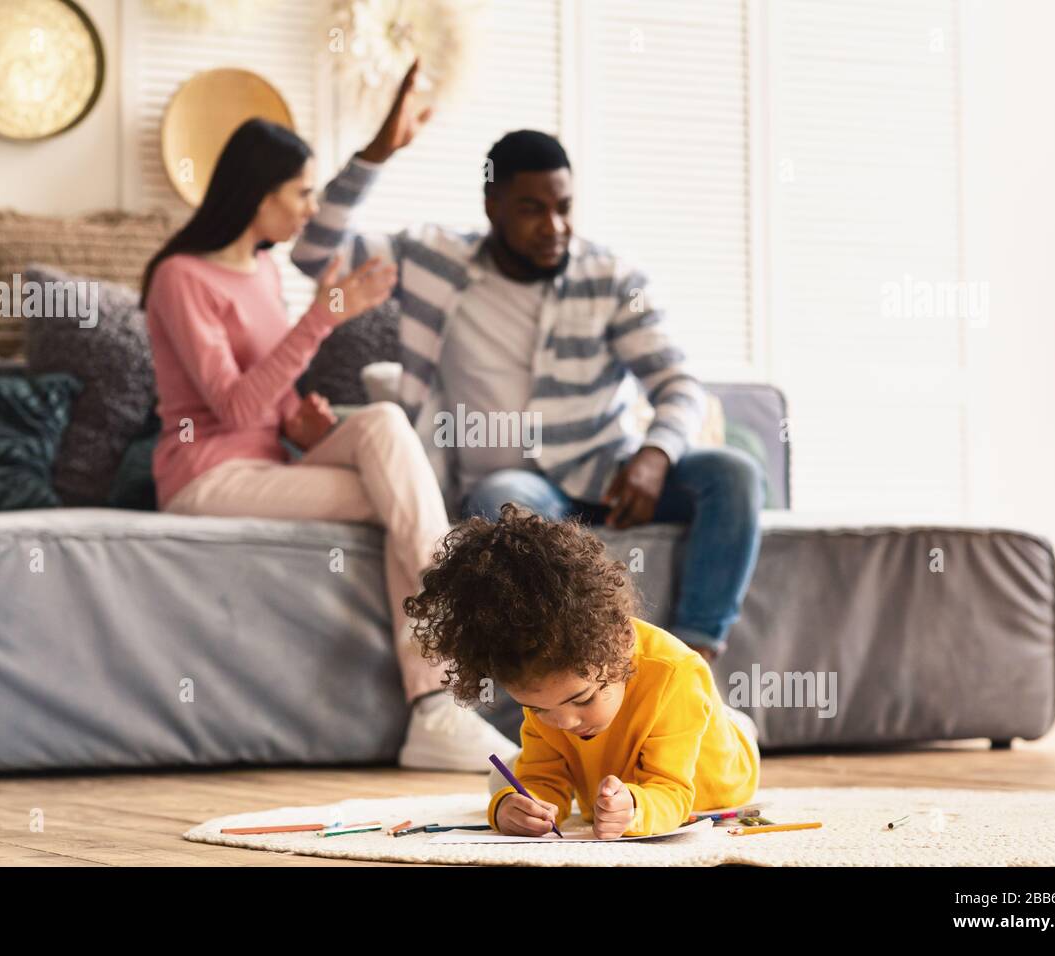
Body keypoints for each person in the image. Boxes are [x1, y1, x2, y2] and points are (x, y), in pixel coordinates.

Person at [291, 62, 765, 662]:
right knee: (500, 504)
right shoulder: (433, 261)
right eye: (532, 209)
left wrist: (655, 454)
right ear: (492, 206)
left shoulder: (610, 277)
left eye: (564, 206)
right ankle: (551, 684)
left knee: (734, 474)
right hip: (519, 485)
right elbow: (313, 254)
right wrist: (377, 153)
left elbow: (677, 383)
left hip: (612, 474)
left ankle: (694, 661)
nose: (555, 227)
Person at [141, 118, 520, 772]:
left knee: (381, 425)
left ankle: (441, 688)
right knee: (393, 497)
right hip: (206, 476)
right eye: (301, 194)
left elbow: (267, 391)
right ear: (260, 195)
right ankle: (441, 693)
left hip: (269, 461)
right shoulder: (181, 277)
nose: (312, 210)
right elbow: (230, 405)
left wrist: (298, 419)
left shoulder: (261, 273)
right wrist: (324, 315)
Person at [404, 505, 760, 839]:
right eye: (539, 709)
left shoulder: (676, 673)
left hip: (709, 777)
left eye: (583, 698)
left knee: (712, 723)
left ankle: (733, 724)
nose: (565, 723)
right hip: (612, 766)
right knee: (506, 782)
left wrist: (635, 810)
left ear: (621, 643)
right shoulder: (552, 694)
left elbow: (672, 792)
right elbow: (544, 776)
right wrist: (520, 809)